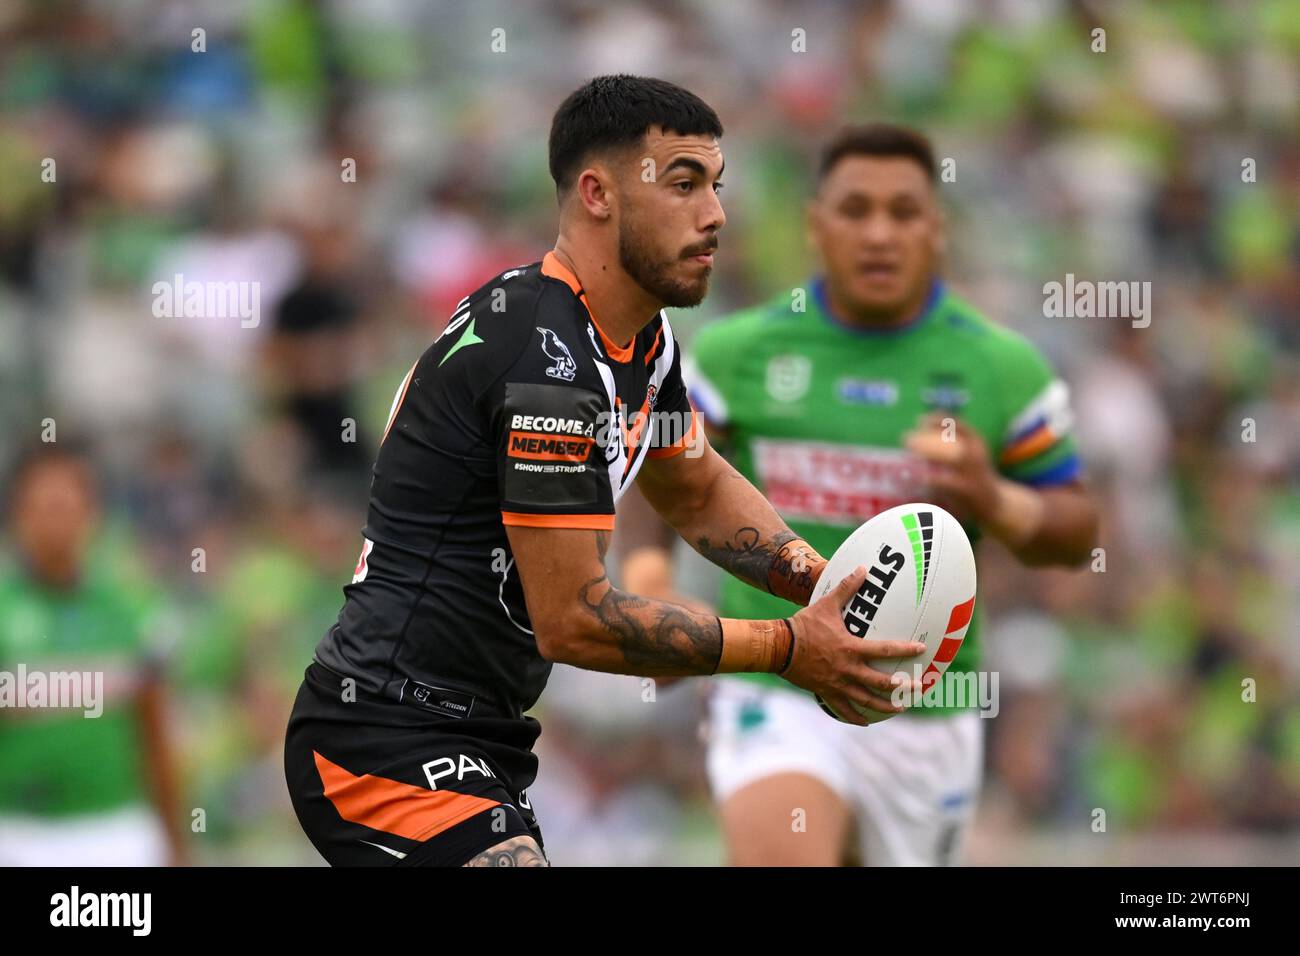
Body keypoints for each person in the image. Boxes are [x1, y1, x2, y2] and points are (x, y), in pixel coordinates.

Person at [283, 76, 927, 867]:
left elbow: (694, 487)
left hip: (481, 734)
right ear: (597, 194)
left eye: (716, 187)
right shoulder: (544, 361)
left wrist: (818, 580)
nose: (716, 213)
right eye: (684, 184)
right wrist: (791, 647)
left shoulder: (639, 344)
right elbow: (575, 617)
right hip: (379, 733)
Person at [618, 124, 1100, 866]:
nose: (879, 233)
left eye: (904, 212)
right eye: (855, 209)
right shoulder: (739, 352)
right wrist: (651, 582)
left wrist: (995, 499)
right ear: (816, 225)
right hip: (780, 685)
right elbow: (665, 474)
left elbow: (1074, 531)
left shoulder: (1001, 369)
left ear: (936, 230)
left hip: (923, 702)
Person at [0, 442, 186, 866]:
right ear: (18, 516)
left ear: (92, 514)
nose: (55, 523)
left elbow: (156, 735)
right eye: (42, 508)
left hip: (115, 832)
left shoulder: (132, 612)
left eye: (67, 506)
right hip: (14, 831)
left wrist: (177, 843)